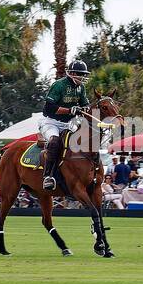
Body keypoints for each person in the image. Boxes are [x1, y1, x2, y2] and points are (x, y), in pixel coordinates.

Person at [39, 59, 91, 190]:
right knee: (54, 142)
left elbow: (85, 104)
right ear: (72, 73)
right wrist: (69, 110)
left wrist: (86, 109)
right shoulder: (59, 85)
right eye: (80, 74)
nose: (83, 77)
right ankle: (48, 176)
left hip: (69, 123)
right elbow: (49, 107)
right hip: (51, 122)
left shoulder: (81, 87)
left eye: (84, 74)